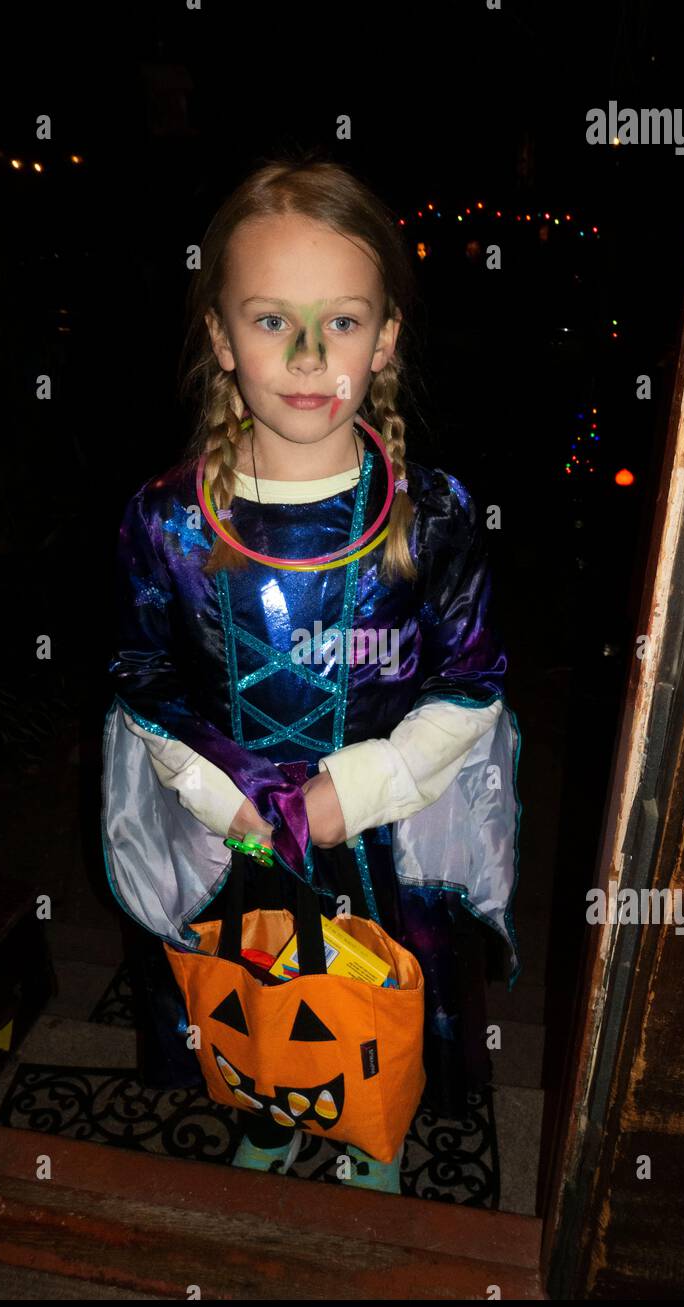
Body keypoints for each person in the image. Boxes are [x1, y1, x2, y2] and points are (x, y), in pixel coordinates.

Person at [102, 157, 522, 1196]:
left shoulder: (431, 515)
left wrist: (352, 791)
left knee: (376, 1009)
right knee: (245, 992)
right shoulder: (165, 519)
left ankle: (368, 1130)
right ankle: (268, 1108)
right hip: (233, 830)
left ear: (383, 339)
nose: (303, 354)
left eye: (338, 322)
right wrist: (217, 789)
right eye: (267, 320)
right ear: (217, 336)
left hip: (379, 838)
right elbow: (142, 674)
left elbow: (470, 683)